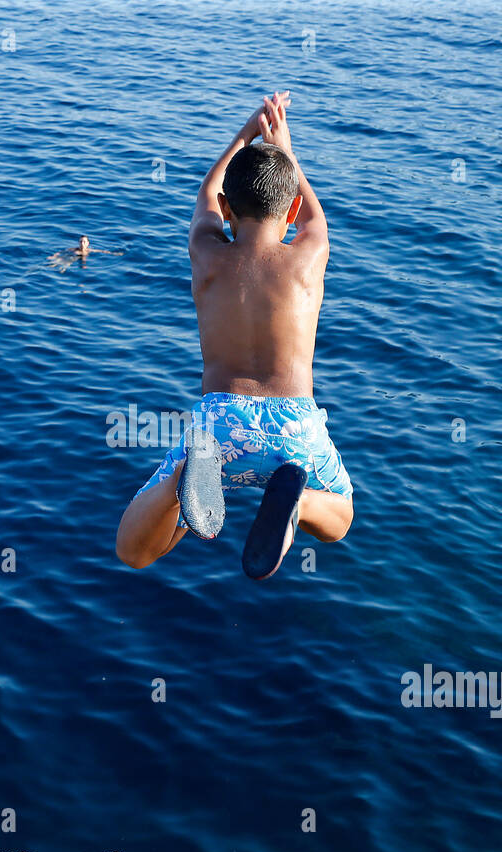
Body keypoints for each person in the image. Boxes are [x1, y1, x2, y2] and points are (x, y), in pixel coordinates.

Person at [115, 92, 353, 580]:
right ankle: (299, 504)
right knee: (341, 516)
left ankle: (182, 482)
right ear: (289, 214)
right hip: (295, 426)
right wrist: (282, 146)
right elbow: (312, 216)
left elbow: (207, 194)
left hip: (219, 425)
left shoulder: (207, 253)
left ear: (227, 208)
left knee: (135, 551)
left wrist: (246, 132)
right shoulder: (309, 254)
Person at [47, 235, 119, 272]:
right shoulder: (73, 249)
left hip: (74, 259)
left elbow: (102, 251)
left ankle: (62, 267)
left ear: (88, 243)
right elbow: (61, 252)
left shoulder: (89, 250)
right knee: (54, 263)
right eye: (81, 241)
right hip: (69, 256)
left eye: (84, 242)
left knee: (66, 264)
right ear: (78, 243)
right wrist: (54, 256)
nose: (82, 243)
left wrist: (114, 253)